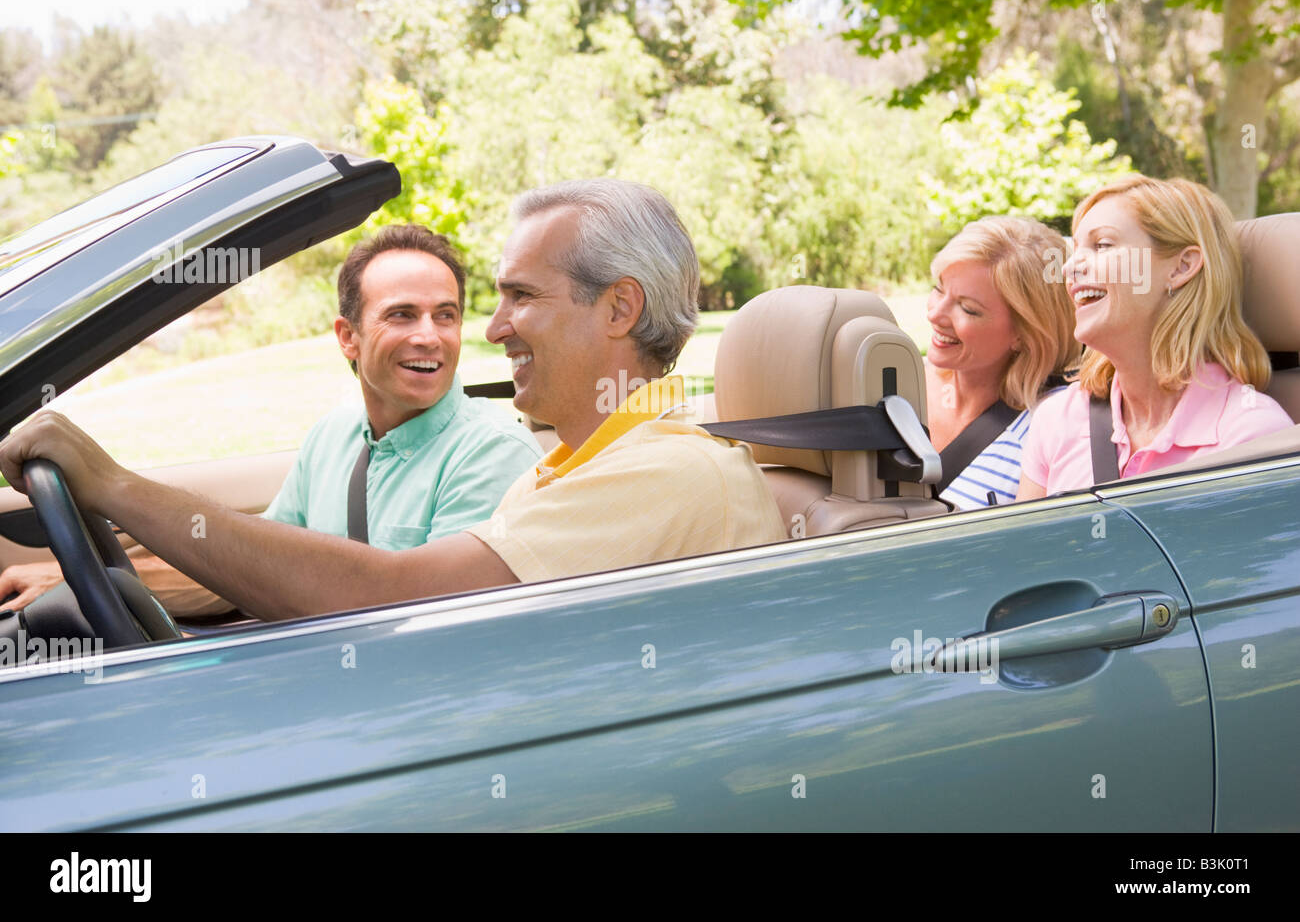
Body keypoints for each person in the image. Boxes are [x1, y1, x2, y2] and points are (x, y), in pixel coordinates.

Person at [0, 179, 787, 621]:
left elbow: (394, 599)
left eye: (519, 296)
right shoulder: (574, 471)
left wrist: (114, 484)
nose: (490, 326)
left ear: (619, 309)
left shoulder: (666, 474)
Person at [0, 224, 541, 615]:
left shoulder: (491, 453)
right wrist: (83, 575)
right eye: (402, 314)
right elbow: (246, 566)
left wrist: (112, 487)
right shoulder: (333, 437)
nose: (430, 335)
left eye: (445, 315)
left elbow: (424, 619)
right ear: (347, 336)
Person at [1017, 174, 1293, 499]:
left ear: (1181, 267)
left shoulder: (1252, 435)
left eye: (1102, 245)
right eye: (1075, 249)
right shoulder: (1057, 418)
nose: (1069, 268)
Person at [925, 216, 1080, 509]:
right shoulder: (894, 387)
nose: (935, 314)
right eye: (939, 289)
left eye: (968, 309)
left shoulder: (1052, 424)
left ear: (1025, 333)